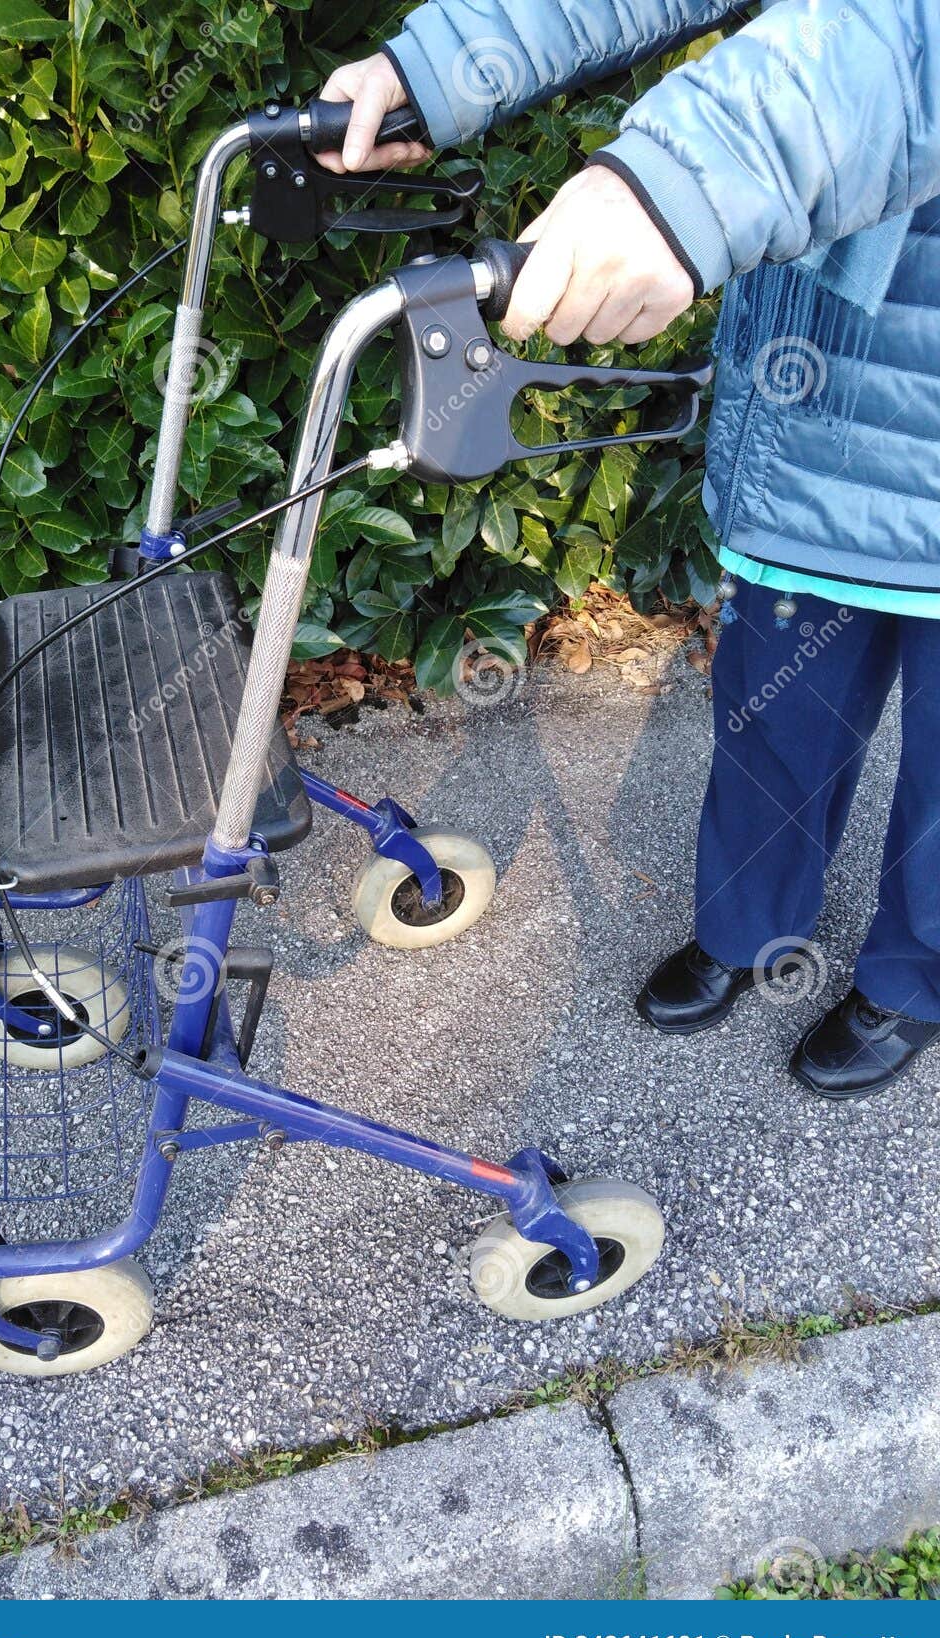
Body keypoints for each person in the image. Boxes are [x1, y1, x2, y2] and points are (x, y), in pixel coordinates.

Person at [318, 2, 940, 1100]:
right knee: (774, 718)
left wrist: (679, 178)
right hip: (821, 406)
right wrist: (444, 62)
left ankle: (912, 980)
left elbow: (902, 43)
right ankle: (750, 928)